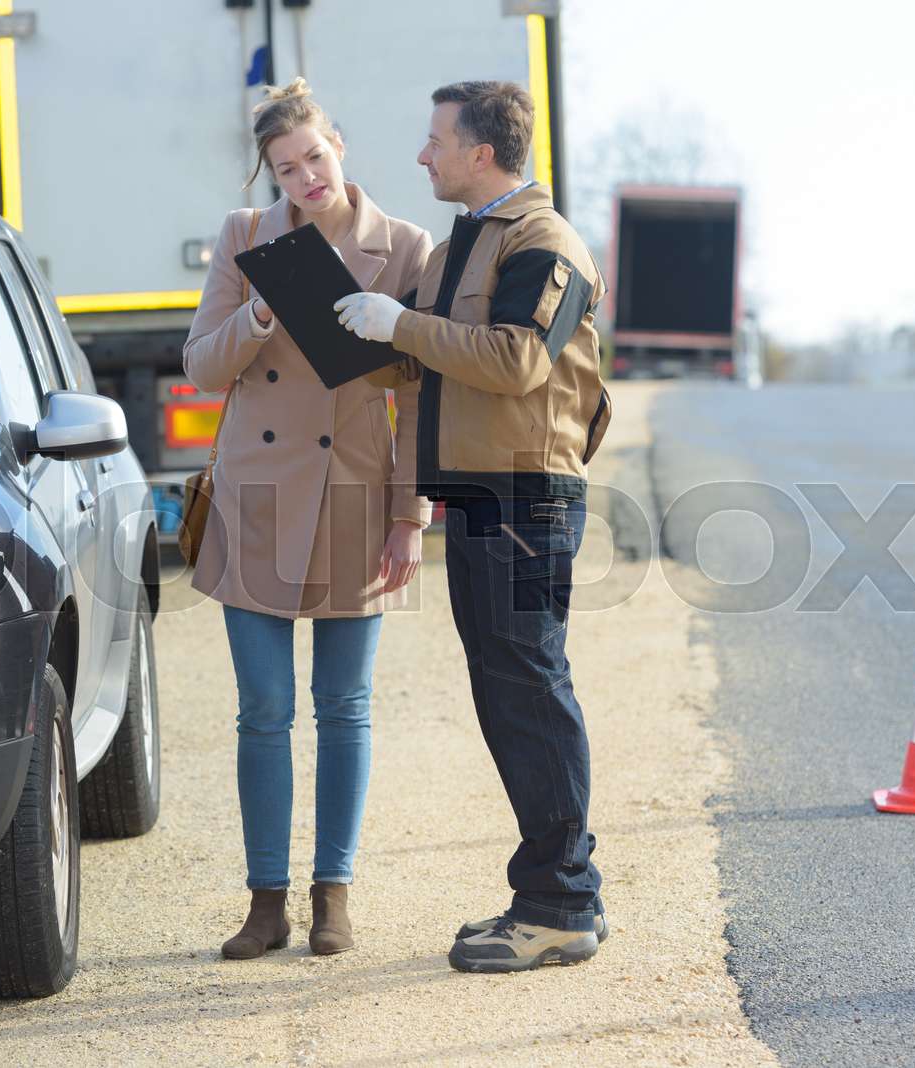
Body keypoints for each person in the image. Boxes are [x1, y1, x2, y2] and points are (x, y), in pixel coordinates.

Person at [335, 81, 612, 973]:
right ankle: (552, 896)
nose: (423, 155)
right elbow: (426, 370)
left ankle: (562, 905)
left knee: (530, 693)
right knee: (511, 695)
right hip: (482, 499)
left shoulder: (542, 242)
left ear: (482, 152)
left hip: (528, 501)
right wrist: (347, 329)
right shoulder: (469, 244)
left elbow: (519, 361)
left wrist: (404, 324)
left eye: (435, 140)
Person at [183, 78, 433, 959]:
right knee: (263, 708)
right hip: (255, 497)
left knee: (344, 706)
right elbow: (204, 366)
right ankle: (265, 900)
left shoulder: (405, 247)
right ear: (272, 175)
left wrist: (410, 517)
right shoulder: (245, 237)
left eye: (315, 159)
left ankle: (335, 894)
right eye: (287, 169)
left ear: (340, 148)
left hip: (355, 497)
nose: (305, 178)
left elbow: (418, 402)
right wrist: (255, 312)